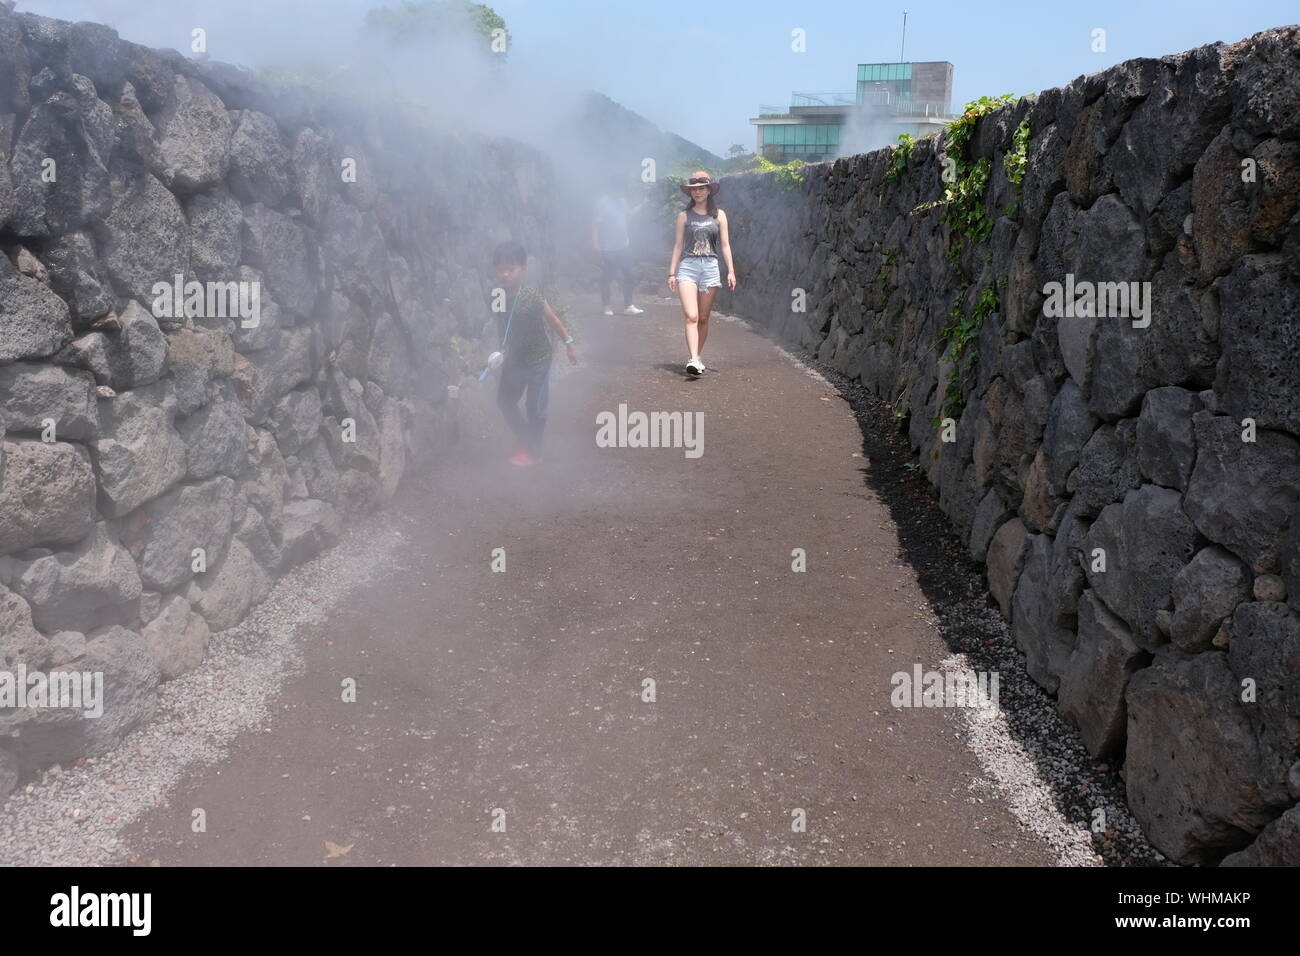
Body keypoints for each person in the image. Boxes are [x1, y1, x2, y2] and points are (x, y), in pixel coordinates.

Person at [490, 241, 577, 466]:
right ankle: (525, 436)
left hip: (538, 360)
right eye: (500, 268)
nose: (505, 274)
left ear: (523, 269)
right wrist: (500, 351)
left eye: (511, 268)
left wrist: (569, 343)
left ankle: (534, 451)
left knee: (535, 407)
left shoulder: (532, 296)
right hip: (514, 359)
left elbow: (553, 320)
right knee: (504, 401)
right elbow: (502, 324)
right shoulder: (497, 296)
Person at [667, 171, 735, 376]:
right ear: (690, 192)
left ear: (708, 190)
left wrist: (731, 271)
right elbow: (678, 246)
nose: (698, 192)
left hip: (710, 267)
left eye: (701, 189)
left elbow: (725, 245)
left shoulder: (719, 215)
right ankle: (694, 359)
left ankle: (697, 356)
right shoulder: (683, 216)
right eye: (694, 190)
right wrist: (672, 273)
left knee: (704, 318)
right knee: (692, 316)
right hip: (688, 266)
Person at [592, 176, 644, 316]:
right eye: (620, 188)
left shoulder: (622, 201)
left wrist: (642, 205)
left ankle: (628, 305)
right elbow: (596, 224)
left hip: (624, 245)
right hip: (607, 247)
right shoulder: (602, 203)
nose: (622, 191)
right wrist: (595, 243)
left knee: (630, 275)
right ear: (612, 188)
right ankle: (607, 306)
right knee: (608, 277)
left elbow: (627, 216)